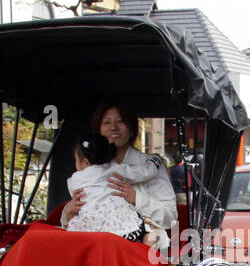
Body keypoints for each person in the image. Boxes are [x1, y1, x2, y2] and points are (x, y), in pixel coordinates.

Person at [62, 101, 177, 249]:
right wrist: (70, 210)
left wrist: (137, 198)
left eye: (120, 121)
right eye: (107, 122)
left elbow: (171, 217)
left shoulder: (147, 164)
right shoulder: (89, 168)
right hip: (97, 242)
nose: (113, 127)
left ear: (131, 130)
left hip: (140, 242)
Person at [64, 131, 158, 242]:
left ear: (85, 162)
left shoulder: (74, 179)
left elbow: (75, 196)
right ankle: (144, 250)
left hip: (90, 231)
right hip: (121, 229)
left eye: (76, 160)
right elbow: (145, 173)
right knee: (151, 230)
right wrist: (155, 160)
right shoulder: (115, 169)